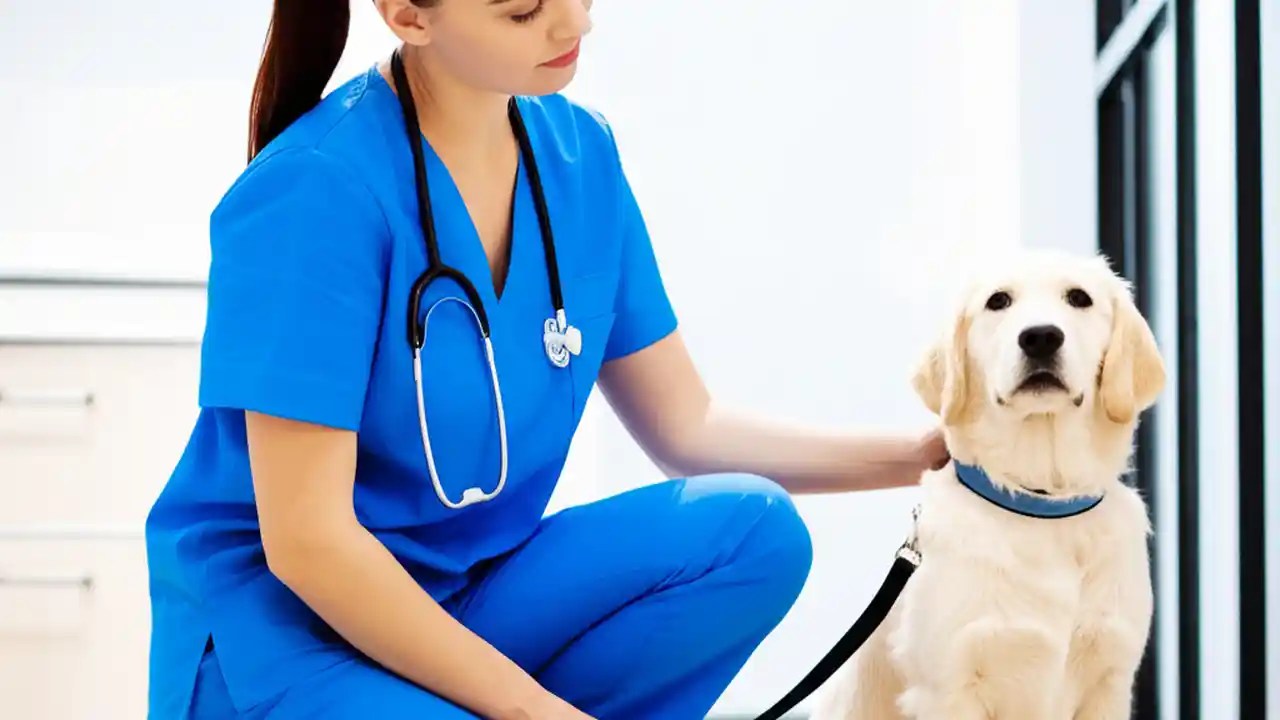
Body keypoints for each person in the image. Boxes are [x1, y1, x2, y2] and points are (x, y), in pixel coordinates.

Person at [143, 1, 950, 718]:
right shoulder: (314, 191)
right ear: (409, 17)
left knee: (753, 535)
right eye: (523, 11)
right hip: (288, 633)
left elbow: (687, 425)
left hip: (472, 590)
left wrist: (927, 457)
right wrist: (530, 709)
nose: (575, 22)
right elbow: (309, 542)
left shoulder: (580, 158)